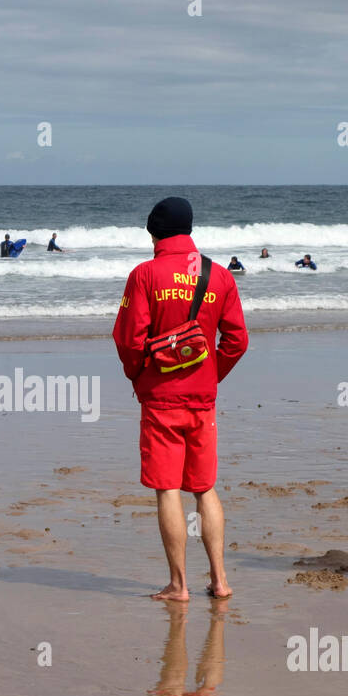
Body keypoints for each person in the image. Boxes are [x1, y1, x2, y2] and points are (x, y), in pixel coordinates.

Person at [112, 196, 249, 602]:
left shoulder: (144, 275)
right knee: (205, 488)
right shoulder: (220, 276)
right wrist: (210, 375)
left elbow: (127, 340)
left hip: (160, 401)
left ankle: (178, 585)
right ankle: (220, 581)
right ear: (189, 230)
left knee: (168, 489)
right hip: (202, 401)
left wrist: (140, 377)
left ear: (154, 232)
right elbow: (237, 341)